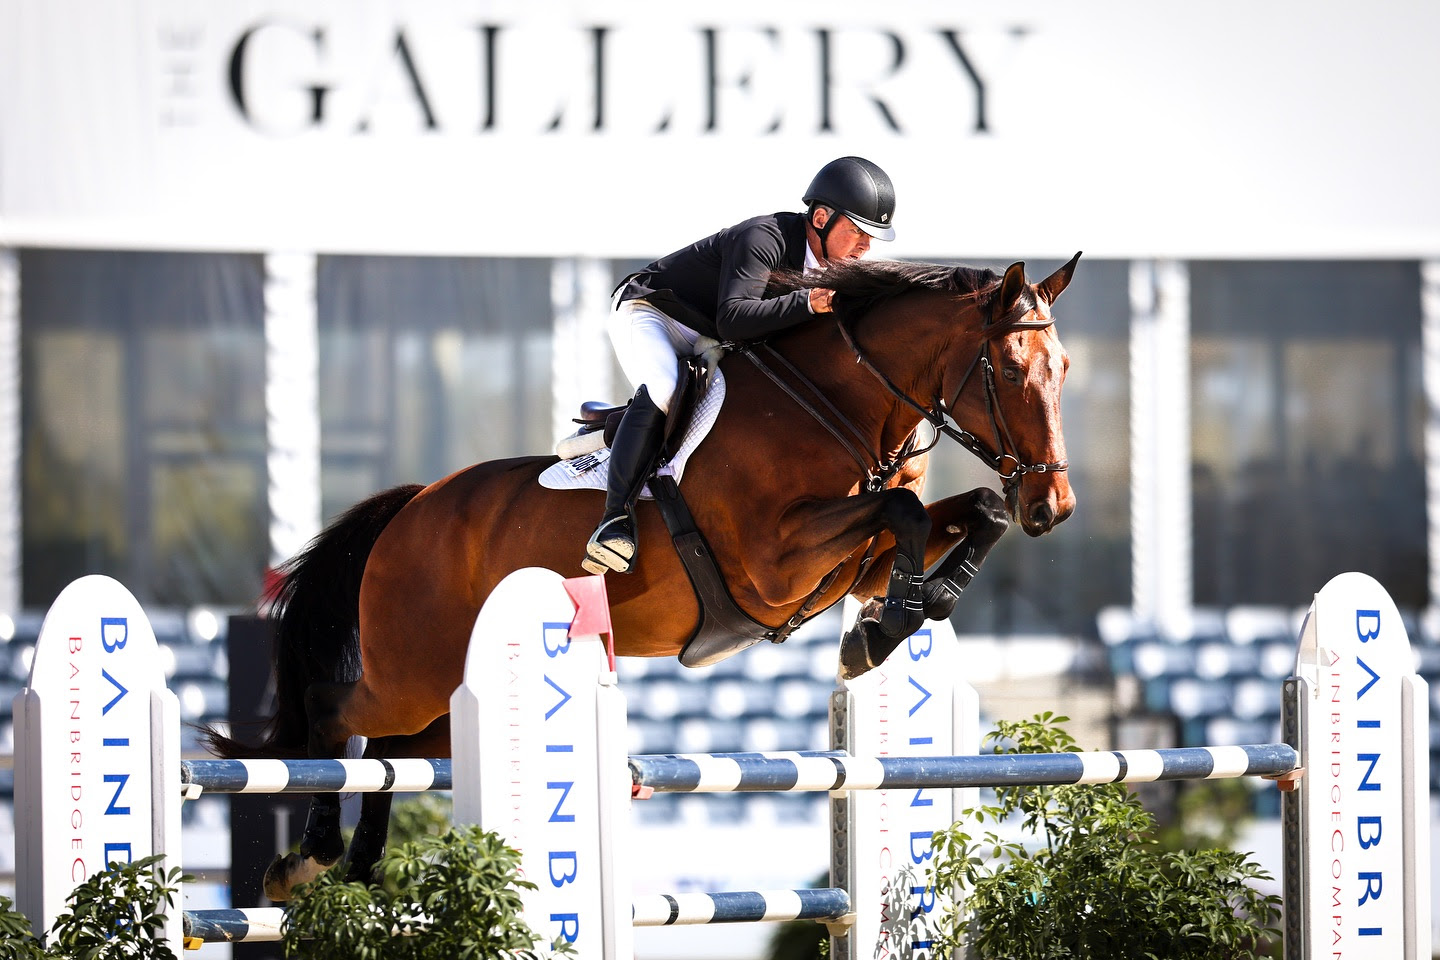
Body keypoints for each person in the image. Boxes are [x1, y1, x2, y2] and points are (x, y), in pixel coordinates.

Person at [582, 156, 897, 576]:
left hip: (709, 335)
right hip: (652, 312)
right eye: (857, 231)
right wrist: (807, 302)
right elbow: (735, 317)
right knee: (664, 386)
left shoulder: (827, 269)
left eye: (871, 237)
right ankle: (614, 520)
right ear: (821, 217)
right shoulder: (762, 237)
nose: (865, 247)